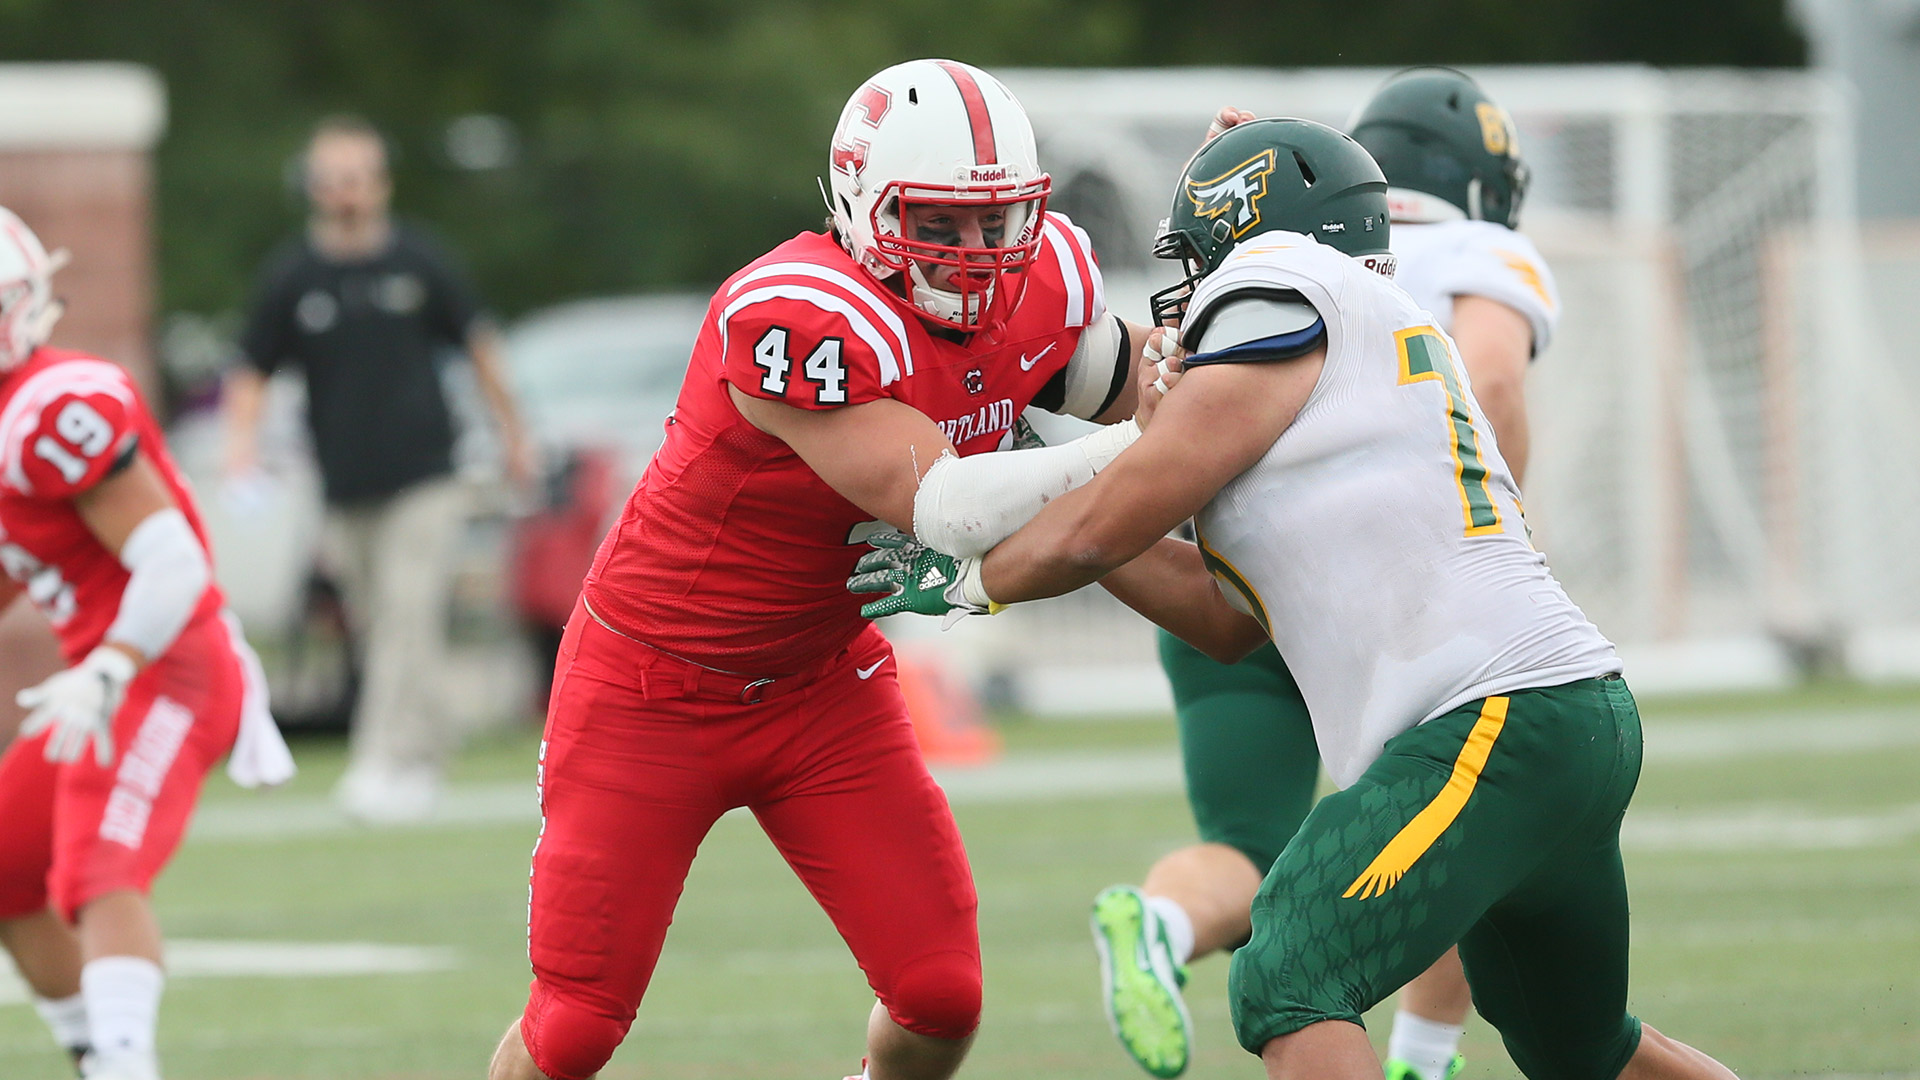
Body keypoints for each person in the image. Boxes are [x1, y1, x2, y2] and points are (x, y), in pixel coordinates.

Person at [851, 118, 1738, 1080]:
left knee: (1290, 971)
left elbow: (1100, 526)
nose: (1190, 290)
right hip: (1562, 713)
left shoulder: (1281, 276)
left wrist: (972, 575)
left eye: (1198, 256)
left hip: (1493, 718)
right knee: (1584, 1052)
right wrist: (1035, 509)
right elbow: (1224, 621)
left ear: (1247, 231)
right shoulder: (1357, 347)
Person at [485, 58, 1154, 1080]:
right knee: (575, 1025)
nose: (977, 253)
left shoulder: (1047, 277)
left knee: (940, 996)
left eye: (996, 220)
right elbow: (946, 506)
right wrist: (1144, 452)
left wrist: (1219, 362)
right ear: (862, 206)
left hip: (821, 687)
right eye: (939, 221)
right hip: (651, 689)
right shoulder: (796, 316)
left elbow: (1133, 385)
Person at [1090, 69, 1558, 1080]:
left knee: (1249, 846)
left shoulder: (1268, 257)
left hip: (1229, 573)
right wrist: (1485, 529)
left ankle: (1162, 924)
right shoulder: (1467, 253)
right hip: (1388, 598)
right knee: (1462, 825)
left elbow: (1166, 403)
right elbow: (1493, 375)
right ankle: (1422, 1060)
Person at [0, 208, 293, 1080]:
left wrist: (111, 667)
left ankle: (129, 1066)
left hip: (169, 665)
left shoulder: (52, 410)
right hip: (113, 674)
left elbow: (174, 561)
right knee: (7, 865)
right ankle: (99, 1057)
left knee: (99, 866)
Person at [222, 115, 532, 823]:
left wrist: (514, 435)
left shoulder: (418, 262)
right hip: (344, 482)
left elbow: (480, 347)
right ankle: (426, 754)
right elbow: (252, 369)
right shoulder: (294, 275)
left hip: (427, 475)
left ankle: (378, 763)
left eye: (357, 178)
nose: (345, 192)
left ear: (381, 183)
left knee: (406, 614)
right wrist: (241, 449)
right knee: (377, 624)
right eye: (332, 180)